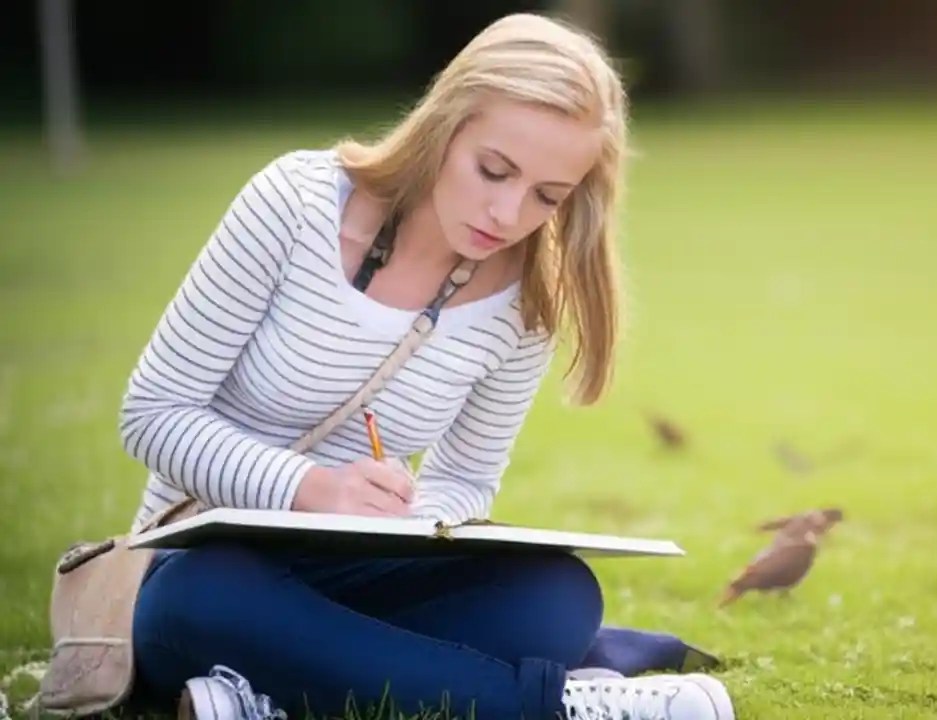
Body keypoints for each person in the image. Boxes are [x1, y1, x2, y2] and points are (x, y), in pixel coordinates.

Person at [120, 13, 735, 720]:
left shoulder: (529, 301)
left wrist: (419, 520)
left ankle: (269, 694)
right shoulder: (292, 205)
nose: (507, 214)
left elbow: (466, 478)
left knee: (559, 598)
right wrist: (314, 489)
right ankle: (551, 707)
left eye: (547, 196)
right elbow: (153, 414)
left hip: (361, 574)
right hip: (210, 562)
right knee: (201, 601)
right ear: (445, 124)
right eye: (494, 171)